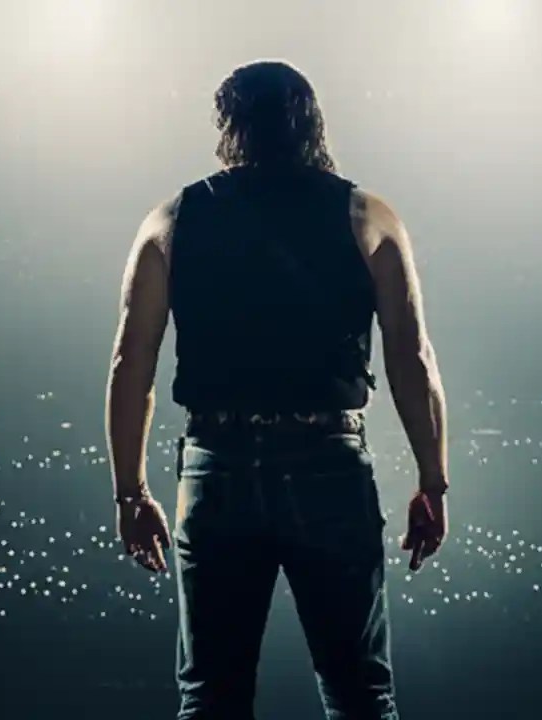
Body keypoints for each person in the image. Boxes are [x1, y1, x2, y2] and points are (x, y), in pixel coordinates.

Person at [105, 59, 449, 720]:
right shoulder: (365, 216)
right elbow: (412, 357)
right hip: (328, 462)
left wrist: (130, 492)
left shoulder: (173, 218)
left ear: (228, 124)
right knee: (359, 696)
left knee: (210, 697)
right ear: (310, 120)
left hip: (216, 466)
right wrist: (433, 481)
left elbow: (130, 362)